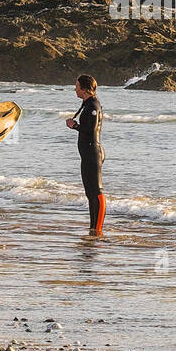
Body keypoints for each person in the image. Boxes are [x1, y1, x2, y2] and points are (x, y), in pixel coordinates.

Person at [66, 74, 106, 235]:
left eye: (76, 86)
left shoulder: (93, 105)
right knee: (89, 192)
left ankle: (98, 229)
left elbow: (91, 129)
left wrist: (74, 125)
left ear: (84, 88)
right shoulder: (87, 104)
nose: (75, 89)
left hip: (93, 152)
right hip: (87, 153)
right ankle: (93, 228)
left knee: (96, 191)